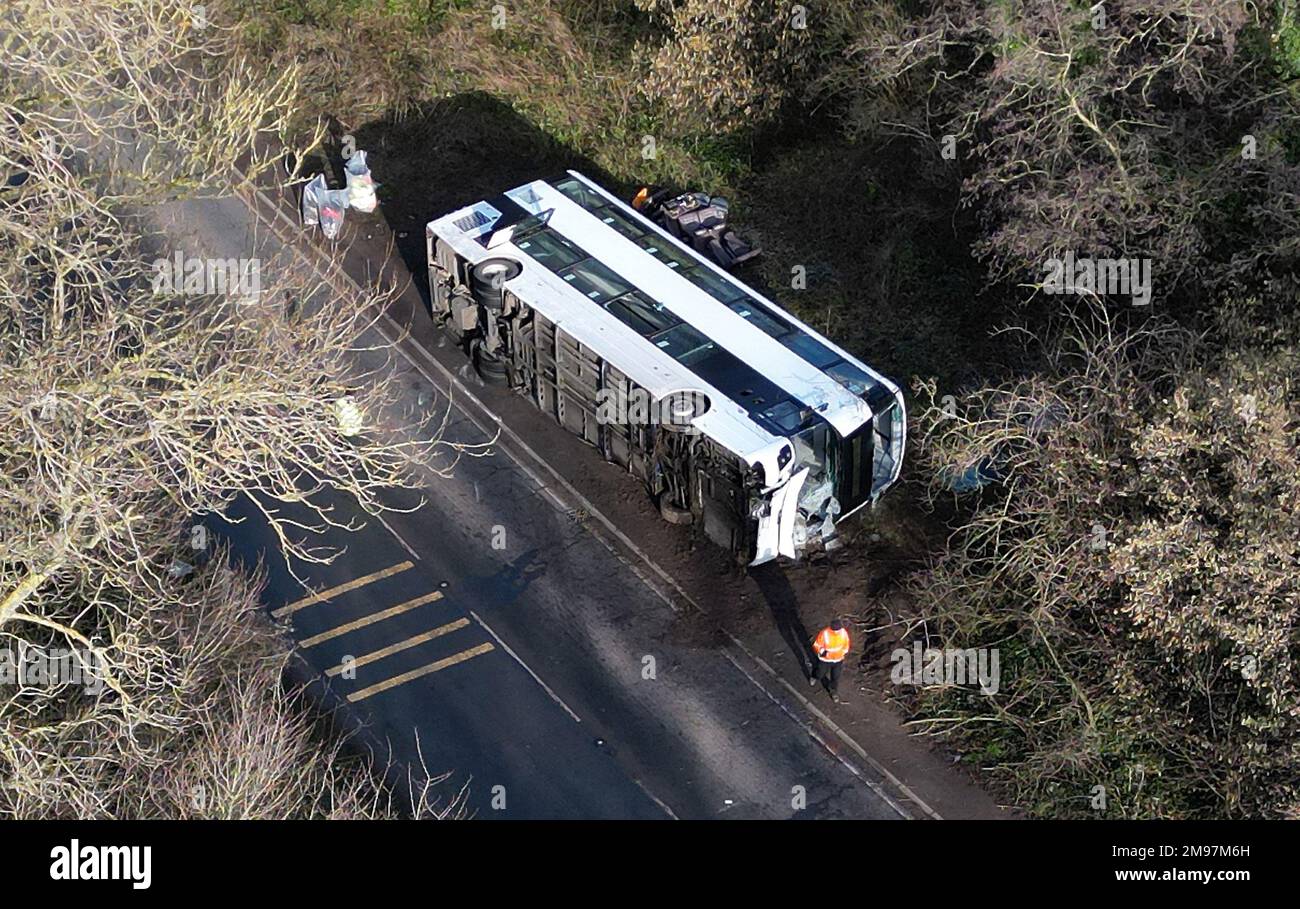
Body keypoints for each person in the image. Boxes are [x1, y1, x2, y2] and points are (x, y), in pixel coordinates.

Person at [810, 619, 851, 701]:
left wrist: (843, 653)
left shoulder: (843, 633)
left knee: (835, 677)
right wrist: (823, 652)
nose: (837, 632)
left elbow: (846, 644)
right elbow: (817, 645)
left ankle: (833, 692)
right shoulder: (824, 633)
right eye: (836, 630)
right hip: (826, 660)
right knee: (820, 673)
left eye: (838, 630)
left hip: (838, 660)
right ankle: (815, 676)